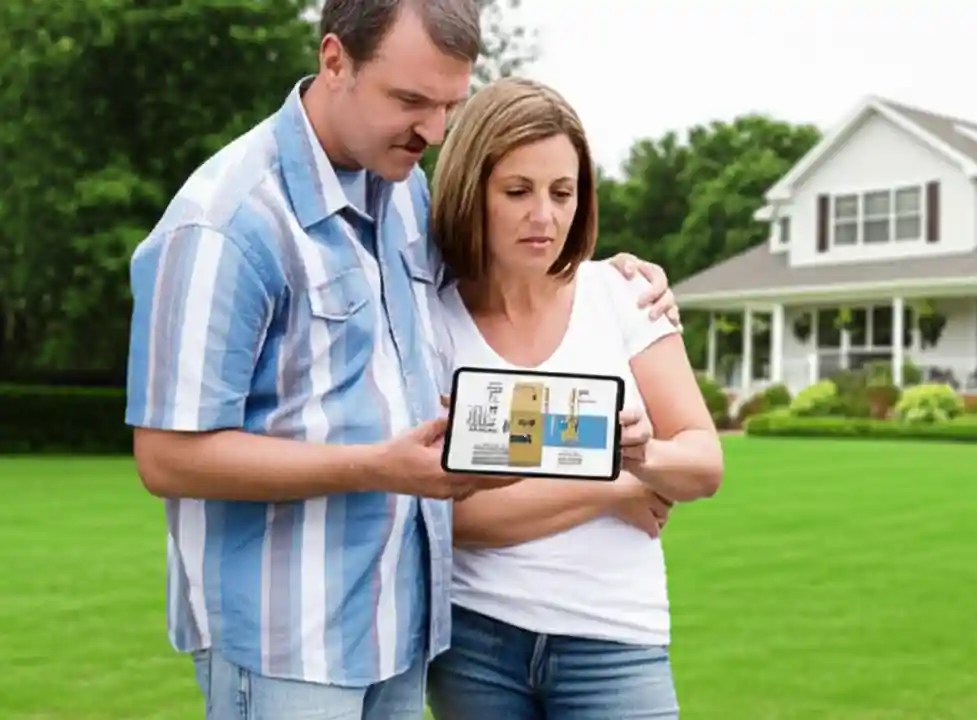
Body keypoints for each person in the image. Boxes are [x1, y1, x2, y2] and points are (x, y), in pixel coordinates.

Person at [123, 1, 680, 718]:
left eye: (450, 104)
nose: (435, 131)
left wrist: (608, 274)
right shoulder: (227, 223)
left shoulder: (405, 194)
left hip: (401, 635)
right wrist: (379, 467)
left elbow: (505, 271)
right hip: (284, 644)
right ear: (335, 61)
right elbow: (167, 456)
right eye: (411, 100)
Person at [421, 76, 724, 720]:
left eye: (563, 192)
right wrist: (614, 483)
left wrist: (642, 459)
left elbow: (703, 464)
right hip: (474, 642)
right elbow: (451, 519)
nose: (545, 216)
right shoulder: (430, 320)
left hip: (616, 640)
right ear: (470, 190)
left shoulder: (625, 297)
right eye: (517, 191)